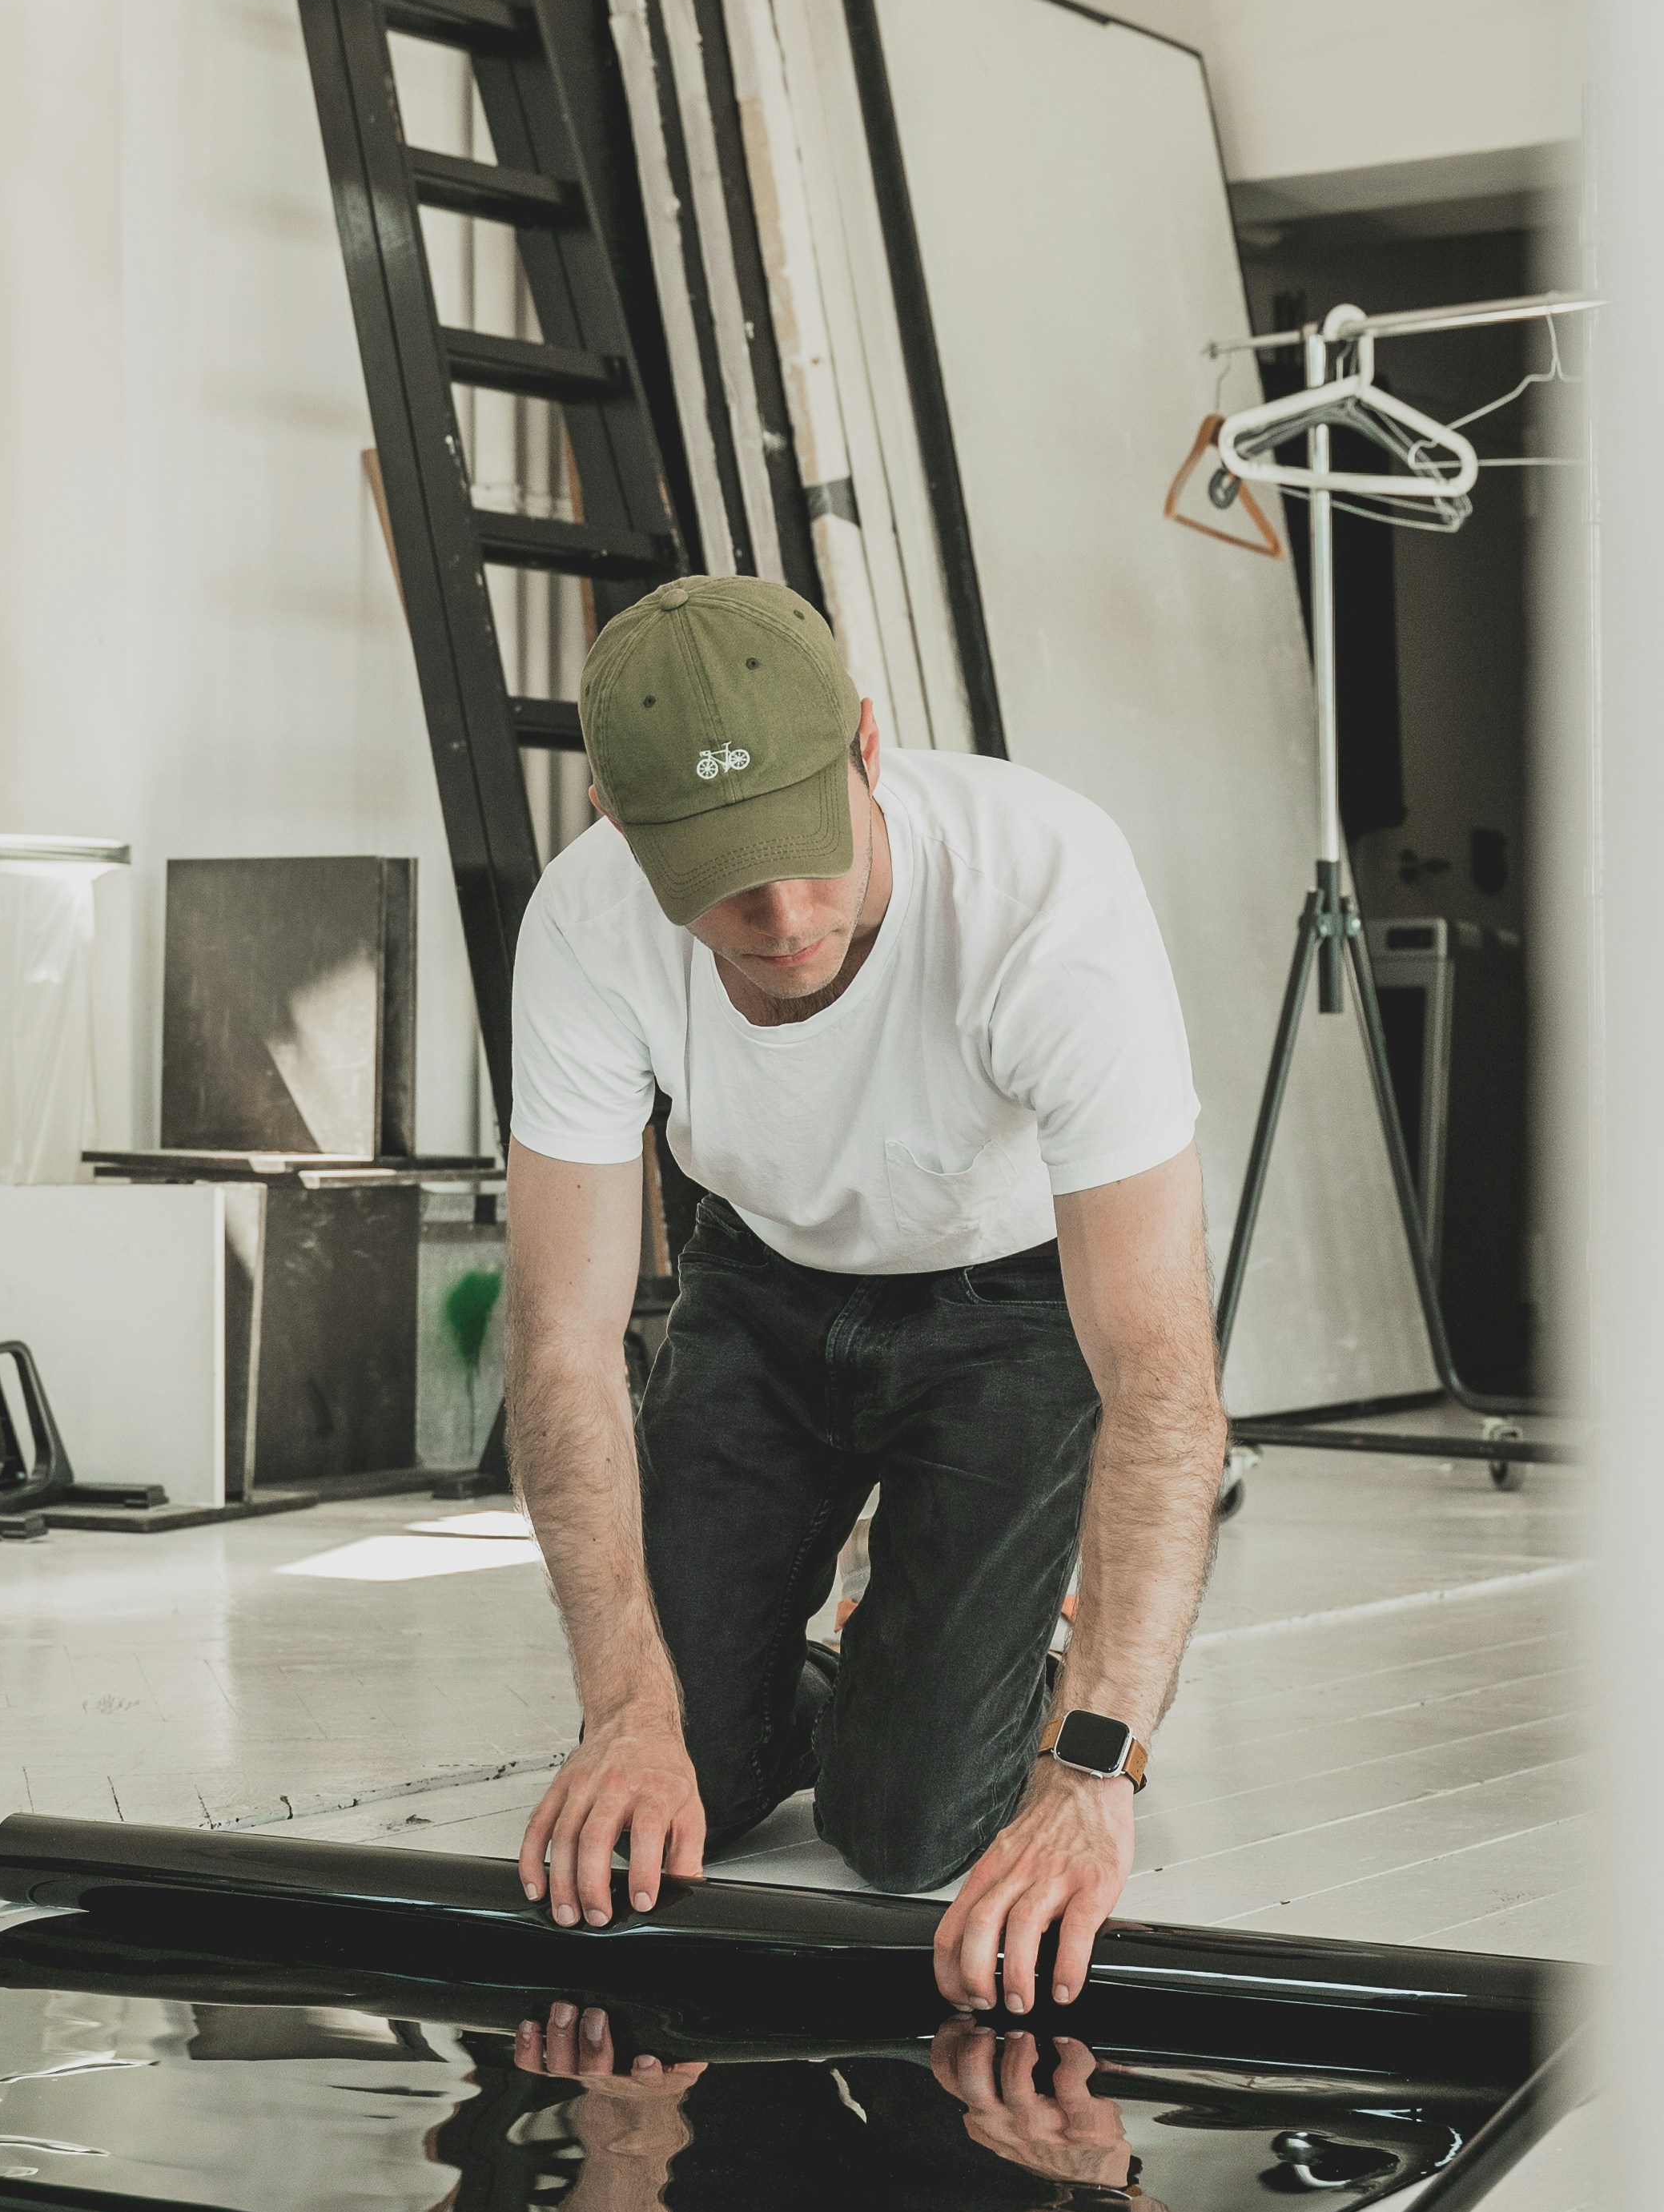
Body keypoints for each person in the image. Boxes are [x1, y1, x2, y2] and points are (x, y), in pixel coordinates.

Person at [504, 573, 1229, 2013]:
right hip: (763, 1282)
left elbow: (1163, 1373)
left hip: (1015, 1305)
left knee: (910, 1838)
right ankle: (845, 1664)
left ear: (868, 746)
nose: (779, 916)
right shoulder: (585, 925)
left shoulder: (1047, 893)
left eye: (802, 844)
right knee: (678, 1782)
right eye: (718, 871)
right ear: (612, 821)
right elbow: (561, 1344)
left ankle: (956, 1663)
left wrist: (1093, 1770)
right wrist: (627, 1707)